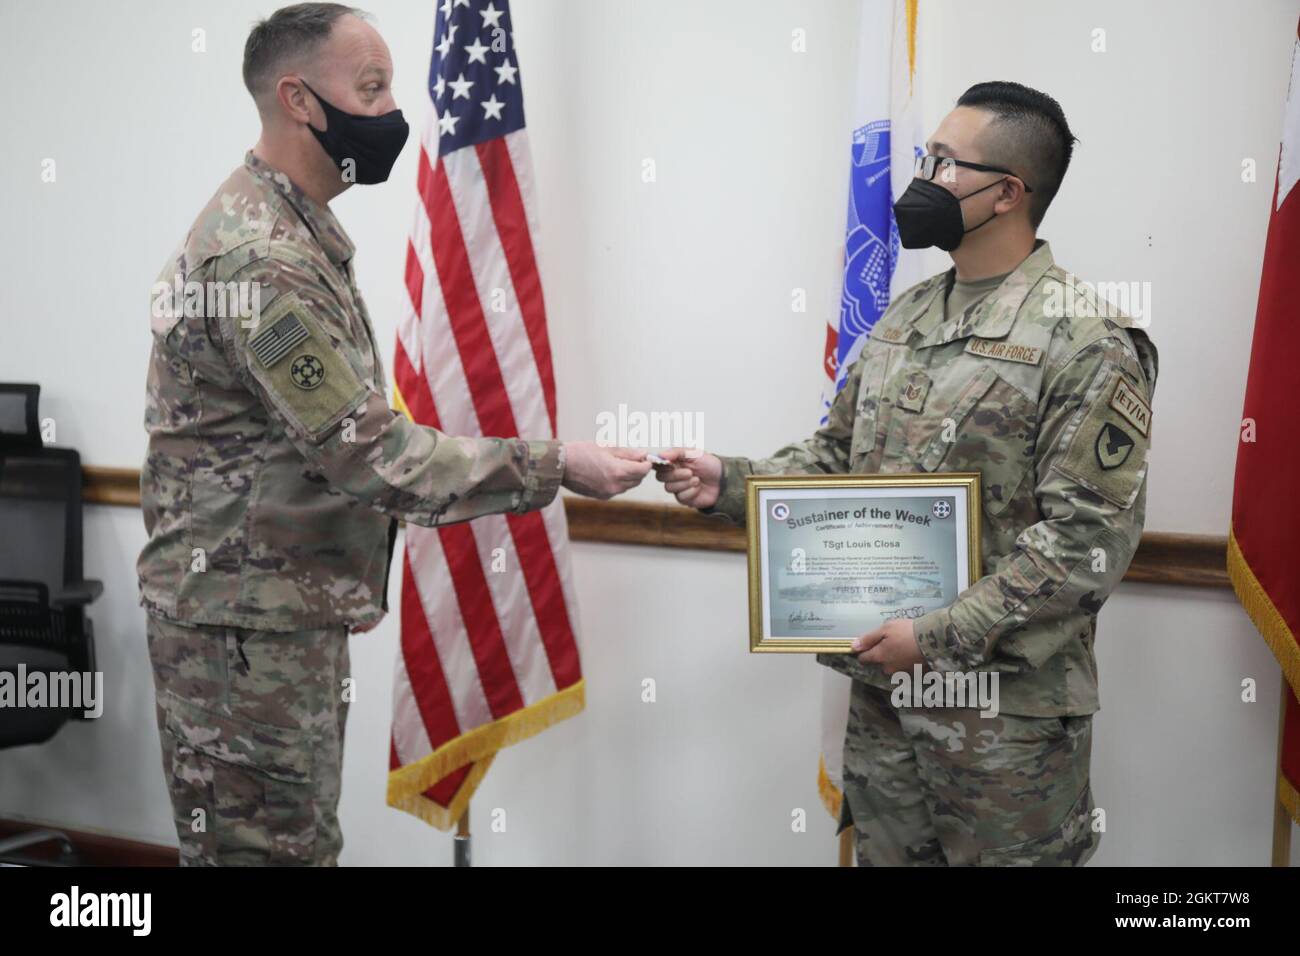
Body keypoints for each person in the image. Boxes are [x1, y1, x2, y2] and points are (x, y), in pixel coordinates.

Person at [138, 2, 650, 865]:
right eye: (370, 88)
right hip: (242, 631)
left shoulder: (291, 231)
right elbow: (369, 453)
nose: (391, 114)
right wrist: (559, 464)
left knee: (288, 847)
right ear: (299, 100)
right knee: (268, 855)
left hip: (267, 619)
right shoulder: (261, 259)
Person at [657, 81, 1157, 866]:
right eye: (928, 155)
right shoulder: (907, 316)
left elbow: (1086, 545)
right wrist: (728, 481)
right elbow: (834, 466)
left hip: (1002, 728)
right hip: (887, 710)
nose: (922, 177)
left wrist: (935, 639)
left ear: (1006, 194)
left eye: (944, 162)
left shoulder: (1086, 337)